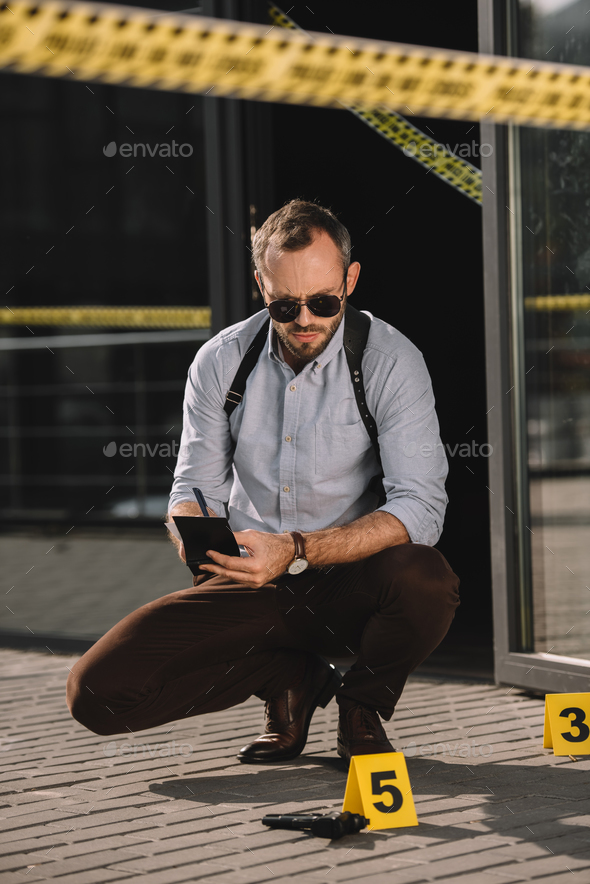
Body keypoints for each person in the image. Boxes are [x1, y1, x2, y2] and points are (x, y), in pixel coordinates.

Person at [67, 199, 460, 764]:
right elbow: (194, 488)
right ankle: (288, 678)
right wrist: (197, 536)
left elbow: (422, 506)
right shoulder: (219, 361)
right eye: (285, 305)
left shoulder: (391, 360)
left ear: (350, 280)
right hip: (249, 580)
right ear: (261, 285)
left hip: (346, 581)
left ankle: (361, 709)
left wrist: (297, 550)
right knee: (97, 695)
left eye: (324, 302)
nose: (305, 319)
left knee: (425, 577)